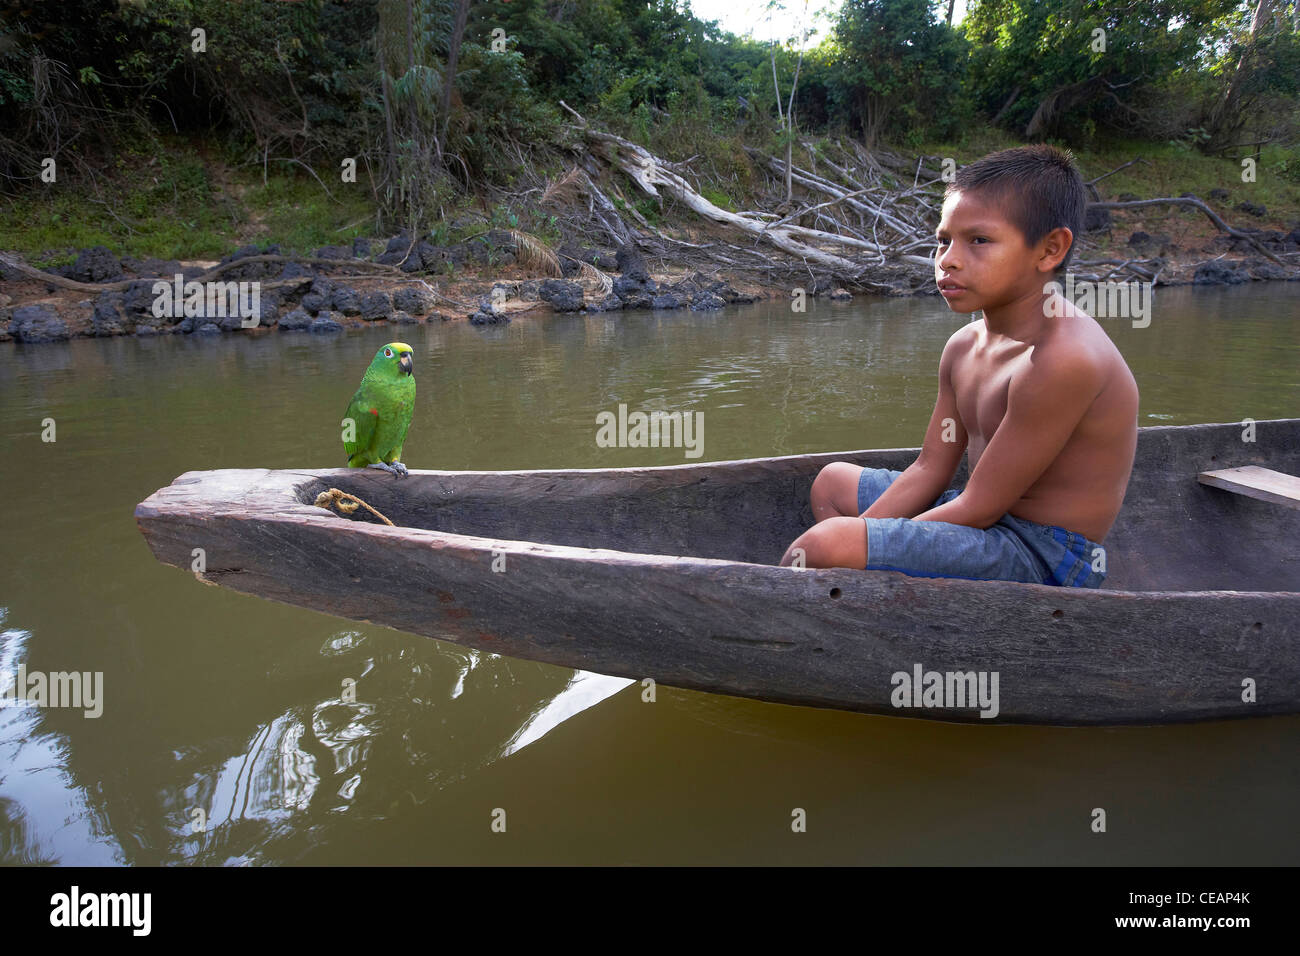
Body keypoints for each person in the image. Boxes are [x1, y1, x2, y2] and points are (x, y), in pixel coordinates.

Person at [779, 144, 1139, 587]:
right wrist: (868, 537)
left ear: (1049, 250)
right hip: (980, 510)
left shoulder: (1063, 360)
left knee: (822, 547)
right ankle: (877, 596)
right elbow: (930, 468)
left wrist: (853, 540)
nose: (947, 259)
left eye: (979, 241)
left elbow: (980, 507)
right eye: (944, 240)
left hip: (1041, 553)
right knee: (832, 485)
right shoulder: (963, 346)